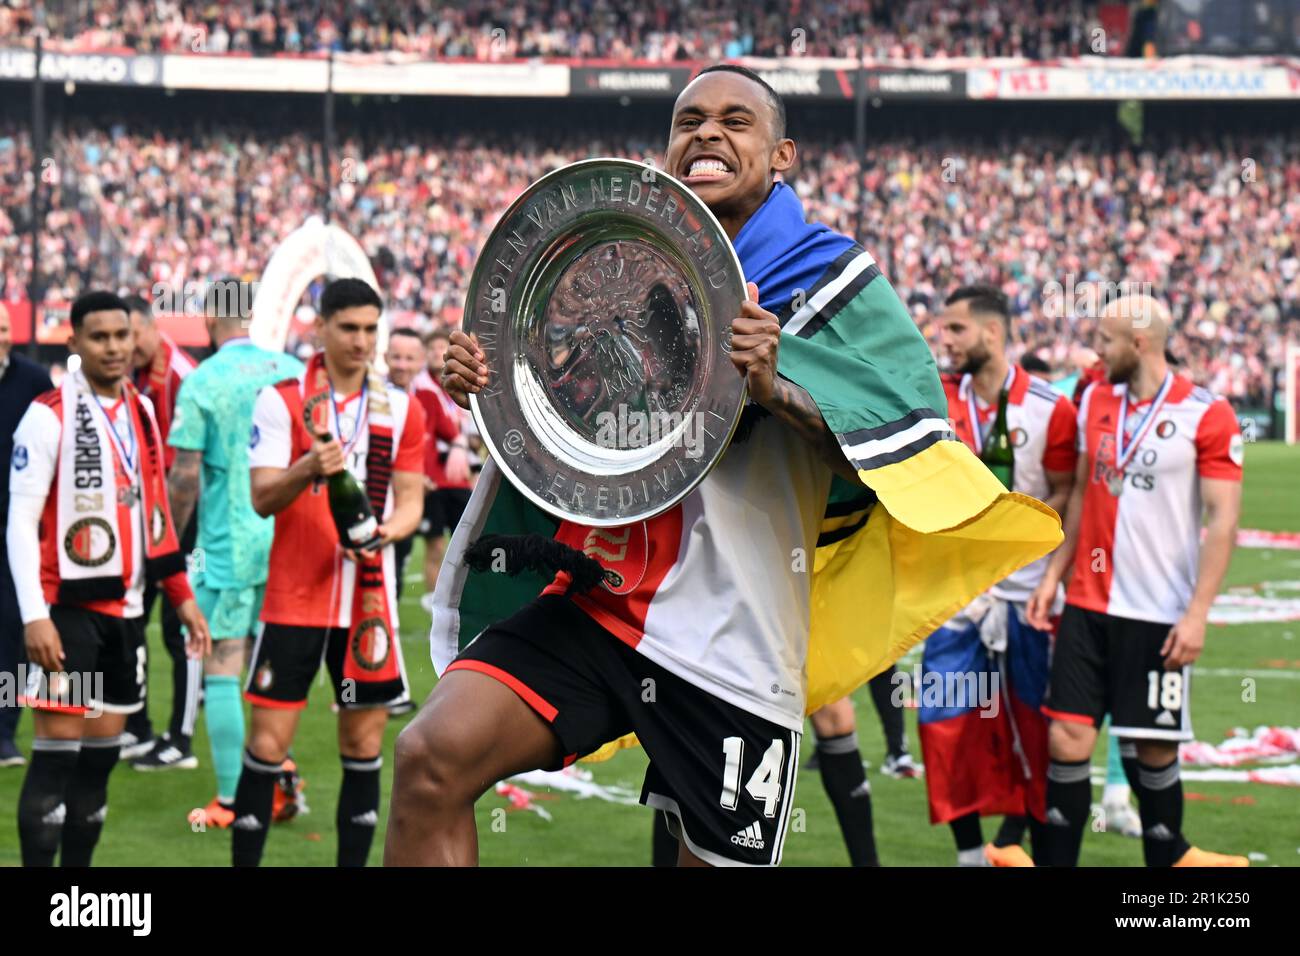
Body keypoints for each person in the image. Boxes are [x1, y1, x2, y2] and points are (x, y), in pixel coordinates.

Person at [386, 65, 1059, 866]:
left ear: (783, 156)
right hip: (603, 599)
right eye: (688, 121)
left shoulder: (834, 280)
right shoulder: (619, 270)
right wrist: (491, 386)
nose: (705, 133)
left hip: (732, 634)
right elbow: (564, 428)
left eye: (735, 121)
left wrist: (782, 390)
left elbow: (905, 443)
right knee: (429, 760)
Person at [1027, 294, 1247, 867]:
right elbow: (1077, 497)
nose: (1096, 352)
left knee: (1152, 752)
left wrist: (1198, 613)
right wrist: (1054, 575)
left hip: (1159, 614)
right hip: (1087, 606)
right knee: (1065, 741)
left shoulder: (1208, 413)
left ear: (1139, 343)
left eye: (1106, 340)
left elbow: (1224, 520)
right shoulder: (1095, 399)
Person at [7, 291, 210, 866]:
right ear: (73, 343)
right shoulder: (46, 416)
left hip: (127, 616)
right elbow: (19, 522)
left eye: (122, 336)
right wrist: (34, 616)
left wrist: (182, 597)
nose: (115, 348)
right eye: (100, 338)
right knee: (54, 760)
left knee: (99, 765)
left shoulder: (143, 411)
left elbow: (156, 517)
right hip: (65, 614)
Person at [232, 277, 425, 867]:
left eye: (371, 328)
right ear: (319, 328)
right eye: (348, 327)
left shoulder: (400, 405)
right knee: (268, 746)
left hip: (366, 601)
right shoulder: (282, 399)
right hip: (294, 597)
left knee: (364, 744)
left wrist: (387, 534)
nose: (361, 341)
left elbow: (411, 501)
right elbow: (263, 497)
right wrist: (306, 468)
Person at [918, 285, 1077, 866]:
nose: (946, 341)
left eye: (956, 330)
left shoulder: (1050, 408)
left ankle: (1014, 843)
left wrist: (1050, 578)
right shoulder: (934, 398)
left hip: (1028, 596)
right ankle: (968, 855)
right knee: (943, 721)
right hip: (956, 595)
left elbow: (1065, 491)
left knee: (1035, 728)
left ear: (992, 332)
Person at [164, 280, 304, 826]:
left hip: (229, 547)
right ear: (252, 315)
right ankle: (280, 767)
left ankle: (233, 798)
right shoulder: (289, 369)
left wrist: (169, 551)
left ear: (206, 320)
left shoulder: (204, 380)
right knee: (275, 666)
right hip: (288, 543)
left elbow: (185, 476)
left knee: (222, 666)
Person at [122, 294, 201, 767]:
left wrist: (167, 543)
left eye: (131, 333)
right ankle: (137, 725)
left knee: (179, 629)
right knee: (131, 619)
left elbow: (187, 473)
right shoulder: (133, 375)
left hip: (180, 526)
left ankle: (181, 739)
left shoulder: (179, 376)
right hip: (147, 522)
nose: (125, 345)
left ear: (150, 328)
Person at [0, 302, 54, 768]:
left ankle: (3, 731)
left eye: (2, 328)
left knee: (13, 632)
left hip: (15, 526)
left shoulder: (35, 381)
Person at [410, 328, 472, 612]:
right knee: (435, 546)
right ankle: (437, 608)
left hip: (454, 481)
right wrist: (458, 440)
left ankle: (459, 603)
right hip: (433, 481)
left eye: (441, 348)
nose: (438, 353)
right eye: (432, 349)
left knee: (467, 546)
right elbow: (447, 430)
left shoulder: (451, 387)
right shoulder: (423, 389)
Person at [384, 327, 428, 590]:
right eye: (396, 357)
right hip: (384, 504)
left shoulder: (427, 397)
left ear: (420, 360)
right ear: (385, 357)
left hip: (410, 503)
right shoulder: (376, 398)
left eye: (409, 358)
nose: (402, 365)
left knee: (396, 576)